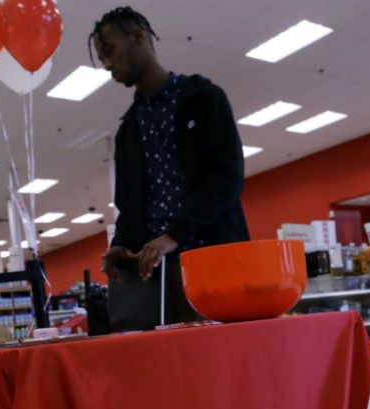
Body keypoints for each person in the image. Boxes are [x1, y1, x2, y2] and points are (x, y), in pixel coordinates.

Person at [89, 6, 250, 330]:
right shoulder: (129, 130)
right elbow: (129, 204)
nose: (106, 64)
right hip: (158, 282)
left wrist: (173, 234)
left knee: (224, 367)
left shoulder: (204, 99)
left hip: (215, 265)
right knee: (173, 373)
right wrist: (120, 242)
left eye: (109, 51)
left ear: (137, 37)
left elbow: (226, 180)